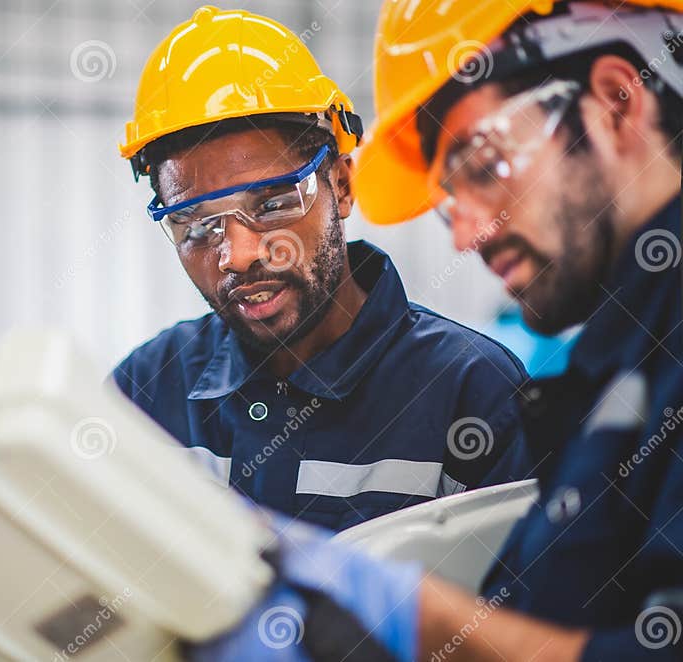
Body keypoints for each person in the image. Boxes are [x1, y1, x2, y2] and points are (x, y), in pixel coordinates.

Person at [189, 1, 683, 660]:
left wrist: (419, 621)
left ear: (617, 104)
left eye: (483, 165)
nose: (465, 235)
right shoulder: (624, 366)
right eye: (450, 198)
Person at [111, 6, 530, 532]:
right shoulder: (148, 388)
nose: (238, 255)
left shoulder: (470, 392)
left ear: (343, 186)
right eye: (196, 225)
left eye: (272, 204)